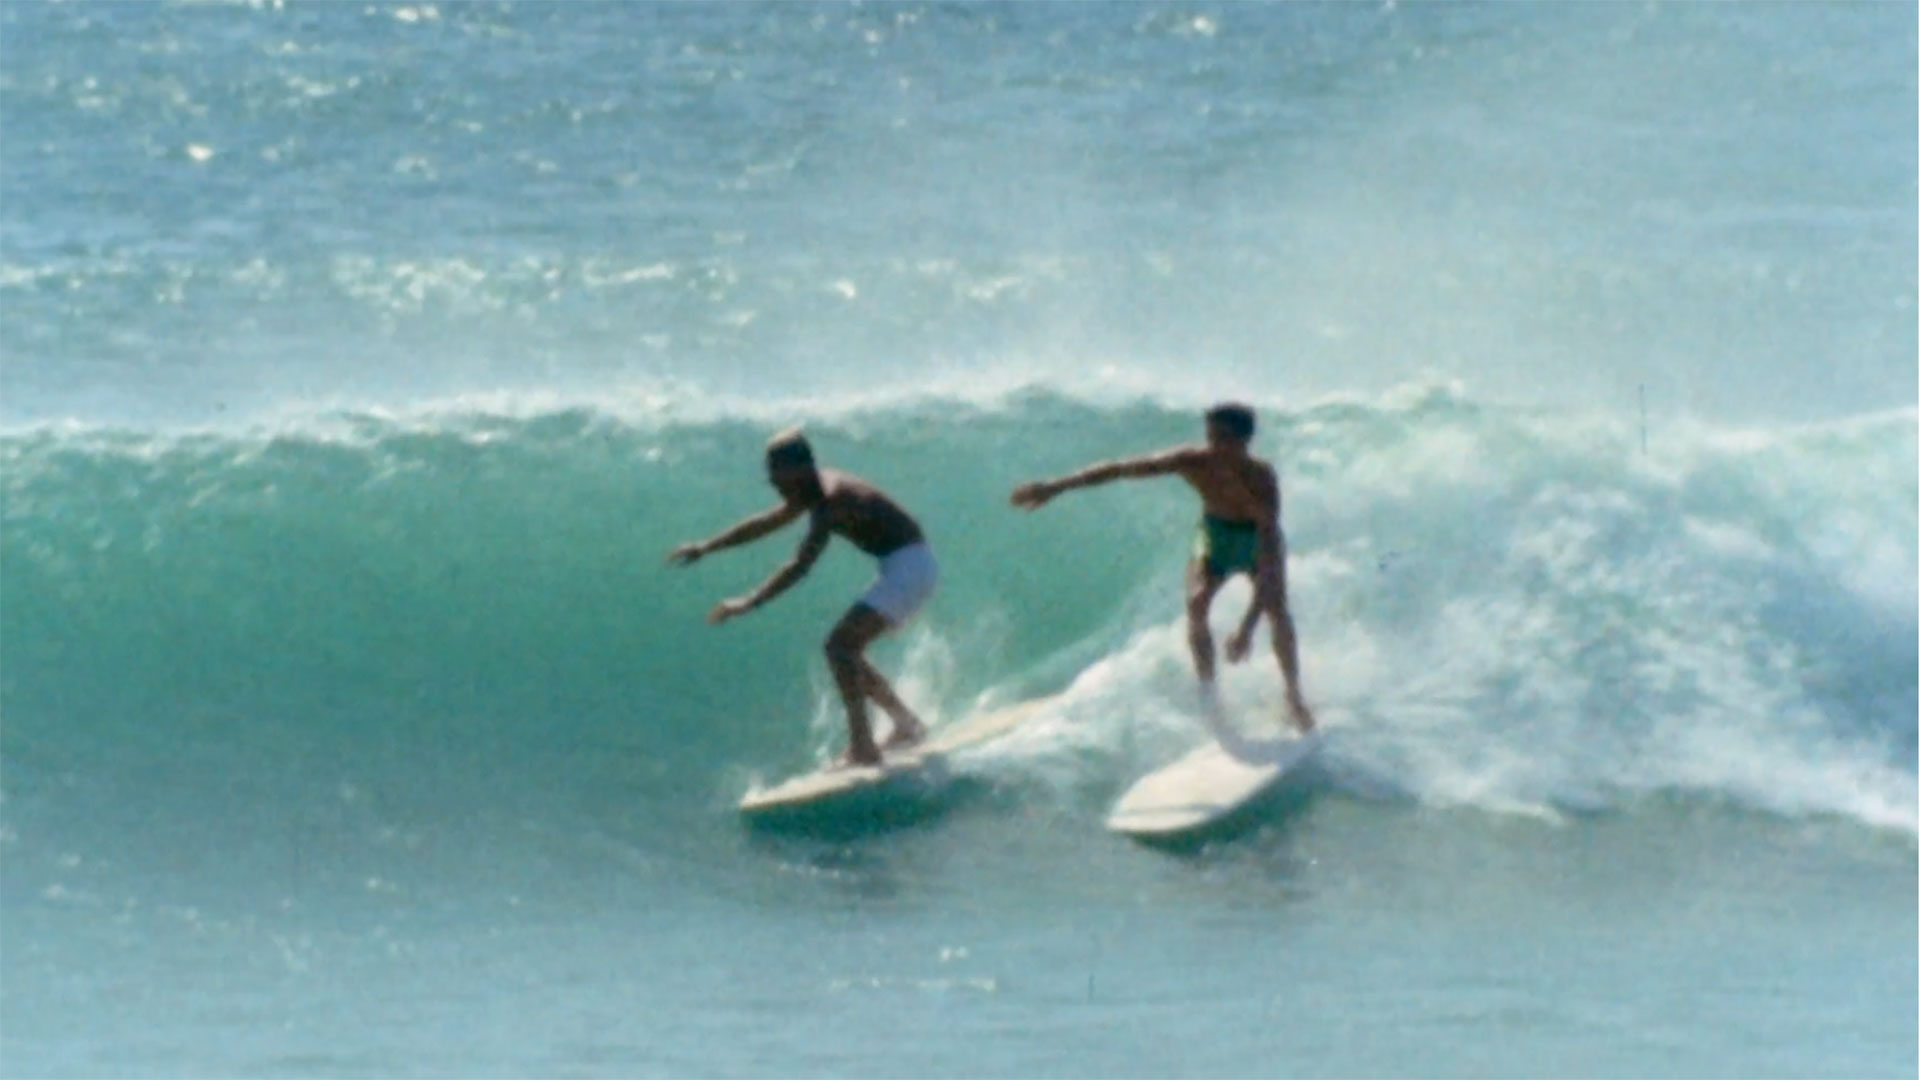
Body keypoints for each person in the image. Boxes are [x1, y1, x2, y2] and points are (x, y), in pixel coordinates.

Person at [1009, 403, 1315, 733]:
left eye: (1223, 439)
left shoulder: (1262, 479)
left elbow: (1269, 556)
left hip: (1257, 540)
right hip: (1215, 535)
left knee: (1276, 610)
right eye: (1210, 436)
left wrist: (1247, 627)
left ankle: (1294, 695)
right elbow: (1121, 469)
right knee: (1197, 603)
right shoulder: (1193, 461)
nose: (1214, 446)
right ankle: (1211, 698)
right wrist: (1055, 487)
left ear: (1245, 441)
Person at [669, 429, 936, 766]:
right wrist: (707, 547)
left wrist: (749, 602)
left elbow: (799, 566)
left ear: (799, 469)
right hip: (907, 565)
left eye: (775, 473)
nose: (771, 483)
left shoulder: (832, 500)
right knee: (846, 651)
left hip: (909, 568)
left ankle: (863, 747)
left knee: (840, 648)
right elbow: (767, 522)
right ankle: (905, 724)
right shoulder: (815, 490)